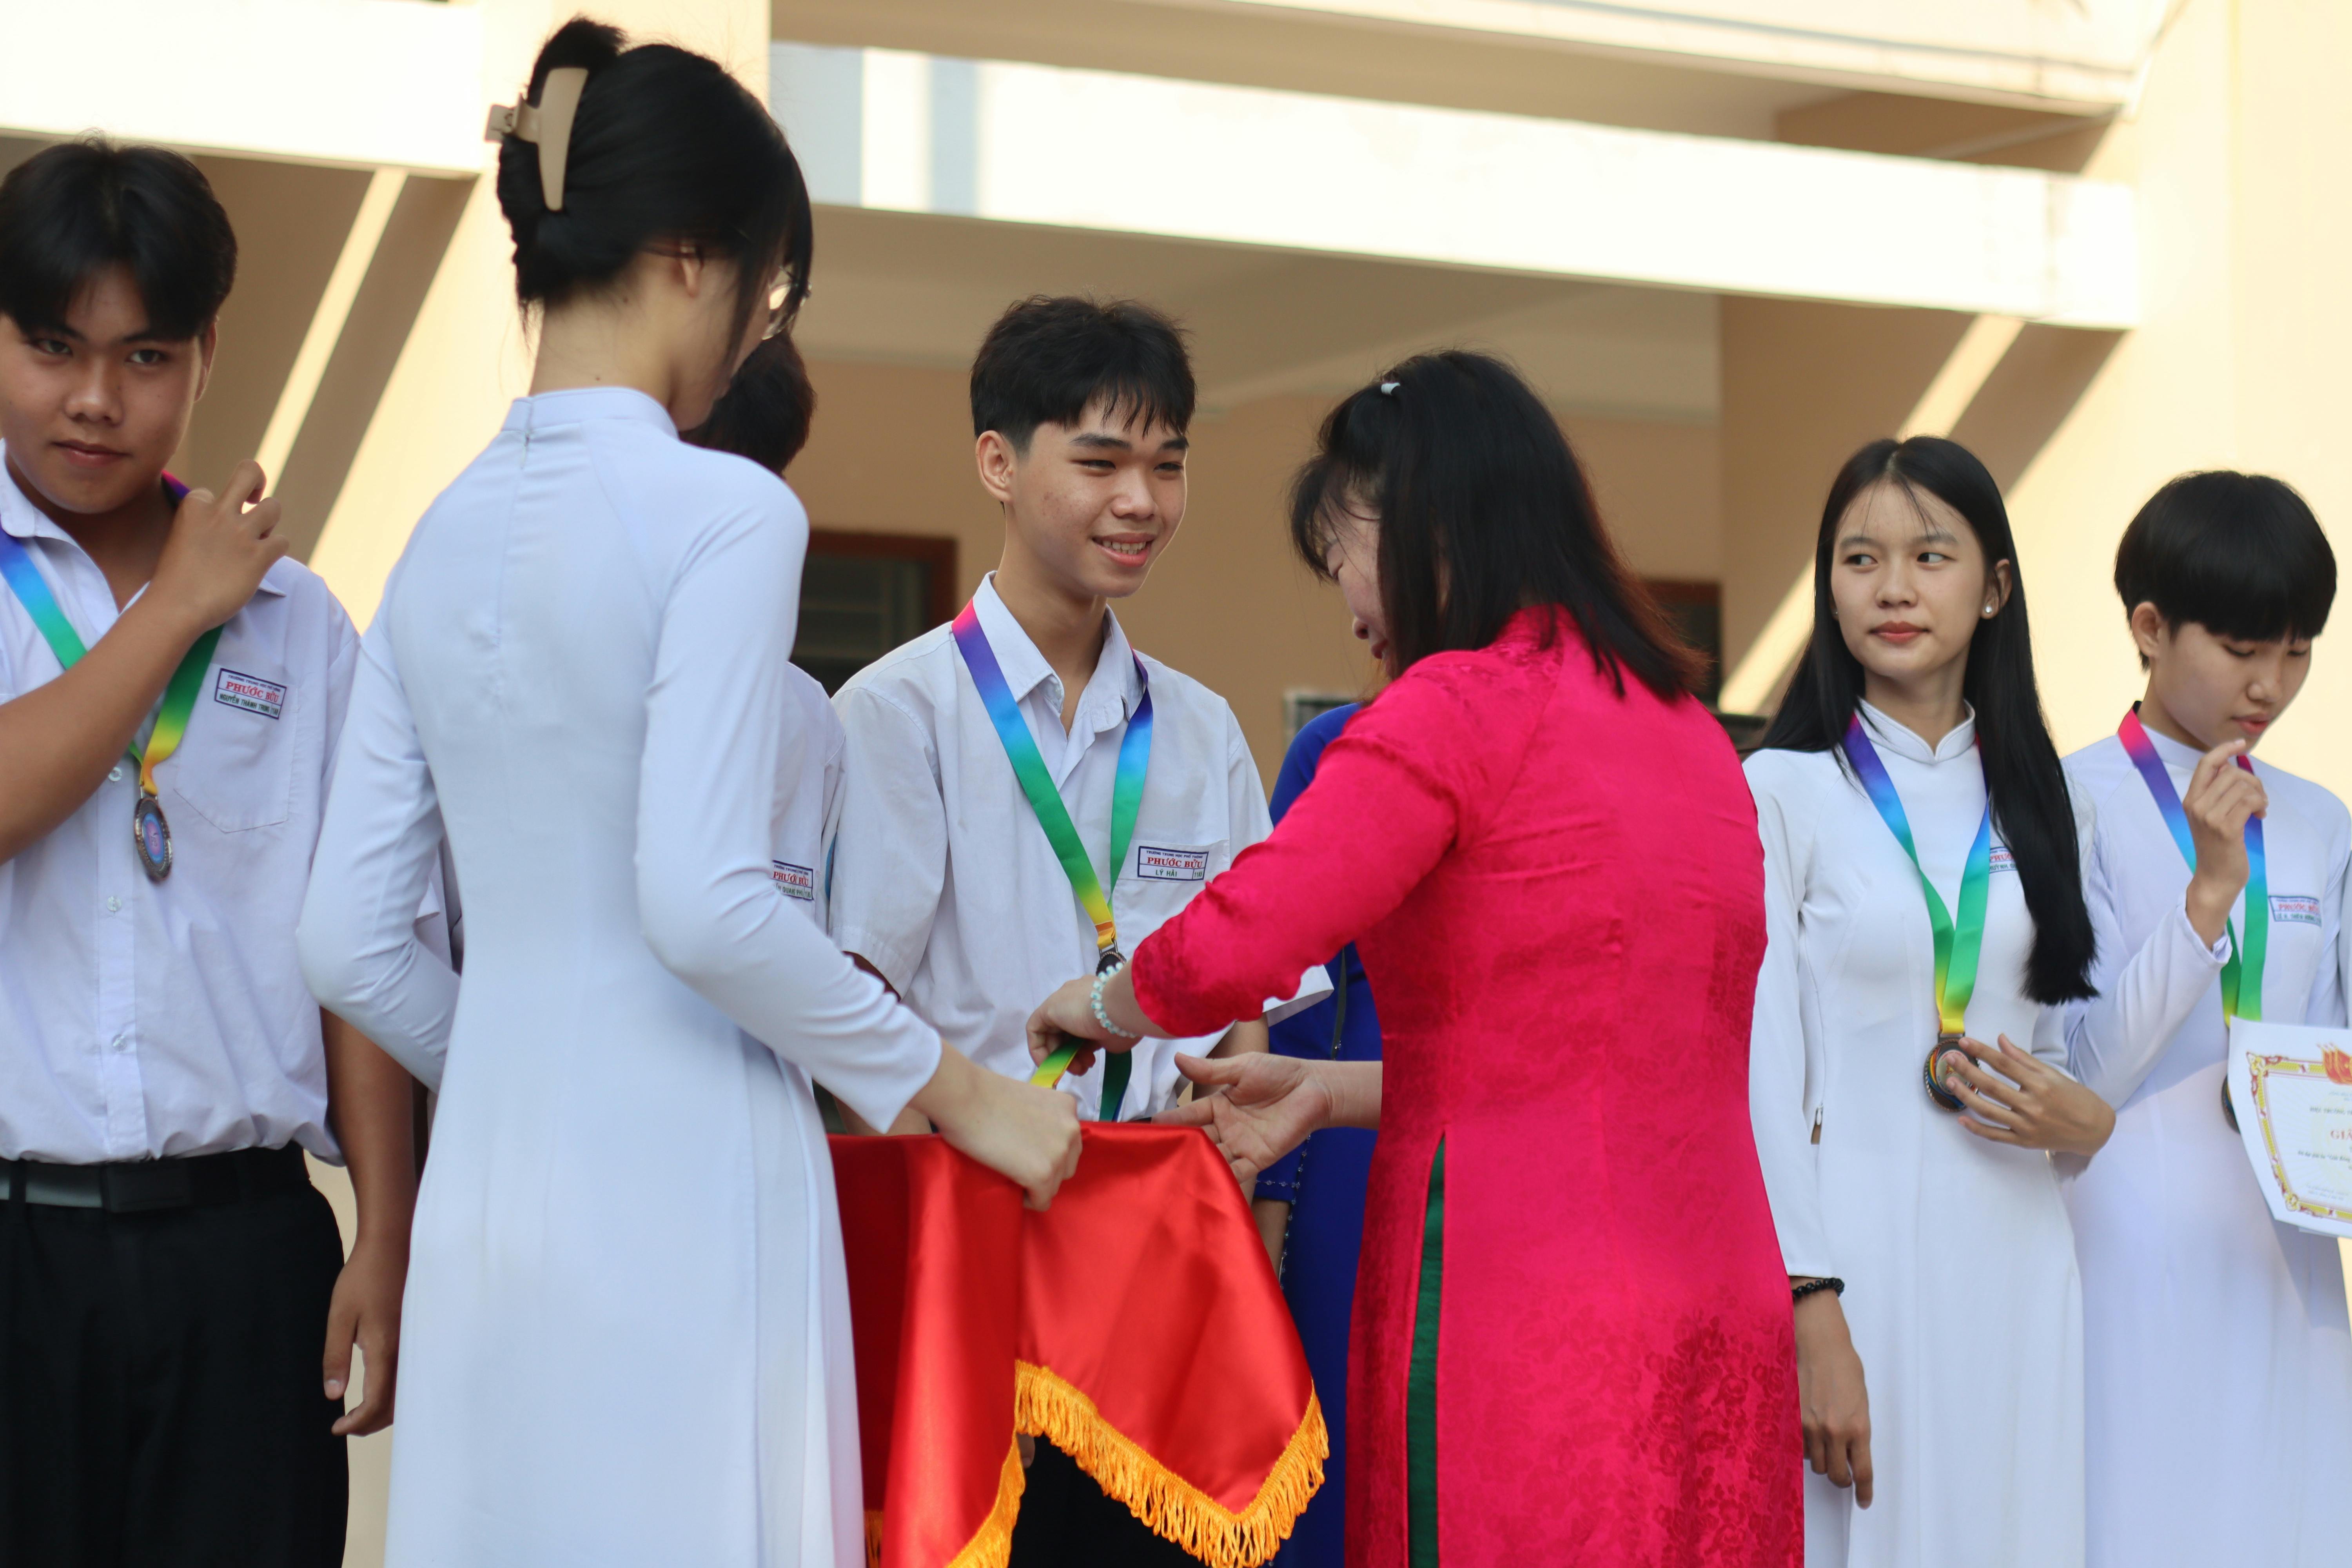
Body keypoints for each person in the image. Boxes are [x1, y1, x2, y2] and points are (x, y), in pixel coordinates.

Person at [295, 23, 1080, 1568]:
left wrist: (523, 1043)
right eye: (767, 293)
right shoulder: (724, 510)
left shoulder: (438, 534)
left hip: (495, 1188)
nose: (752, 337)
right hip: (685, 1158)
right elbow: (708, 898)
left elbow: (344, 937)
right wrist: (957, 1088)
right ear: (687, 256)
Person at [1030, 351, 1802, 1567]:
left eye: (1342, 554)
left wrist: (1104, 1003)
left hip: (1523, 1305)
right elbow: (1595, 1059)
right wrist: (1331, 1094)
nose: (1348, 607)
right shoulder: (1689, 733)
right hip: (1718, 1302)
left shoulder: (1456, 709)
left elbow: (1255, 929)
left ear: (1417, 528)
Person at [825, 292, 1327, 1564]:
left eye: (1168, 465)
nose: (1141, 500)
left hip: (1166, 1227)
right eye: (1099, 461)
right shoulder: (902, 714)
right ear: (997, 462)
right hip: (974, 1223)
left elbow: (1248, 992)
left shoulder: (1200, 728)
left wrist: (1249, 1203)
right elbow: (853, 996)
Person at [0, 138, 419, 1566]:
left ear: (204, 356)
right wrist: (173, 614)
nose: (99, 400)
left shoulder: (302, 623)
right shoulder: (208, 601)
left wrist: (385, 1226)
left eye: (146, 355)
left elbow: (355, 939)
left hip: (248, 1260)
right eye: (54, 347)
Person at [1740, 437, 2115, 1567]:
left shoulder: (2050, 803)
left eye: (1929, 556)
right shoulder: (1782, 789)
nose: (1893, 587)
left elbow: (2064, 1050)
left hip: (2013, 1245)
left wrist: (2092, 1123)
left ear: (1995, 586)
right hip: (1852, 1257)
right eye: (1860, 559)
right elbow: (1764, 1067)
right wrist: (1813, 1305)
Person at [2059, 472, 2351, 1568]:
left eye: (2298, 649)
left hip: (2290, 1252)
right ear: (2149, 625)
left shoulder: (2322, 821)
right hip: (2124, 1248)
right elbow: (2084, 1069)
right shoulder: (2062, 799)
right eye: (2240, 648)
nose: (2270, 684)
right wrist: (2206, 898)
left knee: (2294, 1522)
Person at [1251, 702, 1381, 1568]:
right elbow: (1288, 1003)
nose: (1347, 585)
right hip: (1348, 1157)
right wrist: (1257, 1256)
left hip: (1539, 1173)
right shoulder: (1337, 746)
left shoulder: (1600, 745)